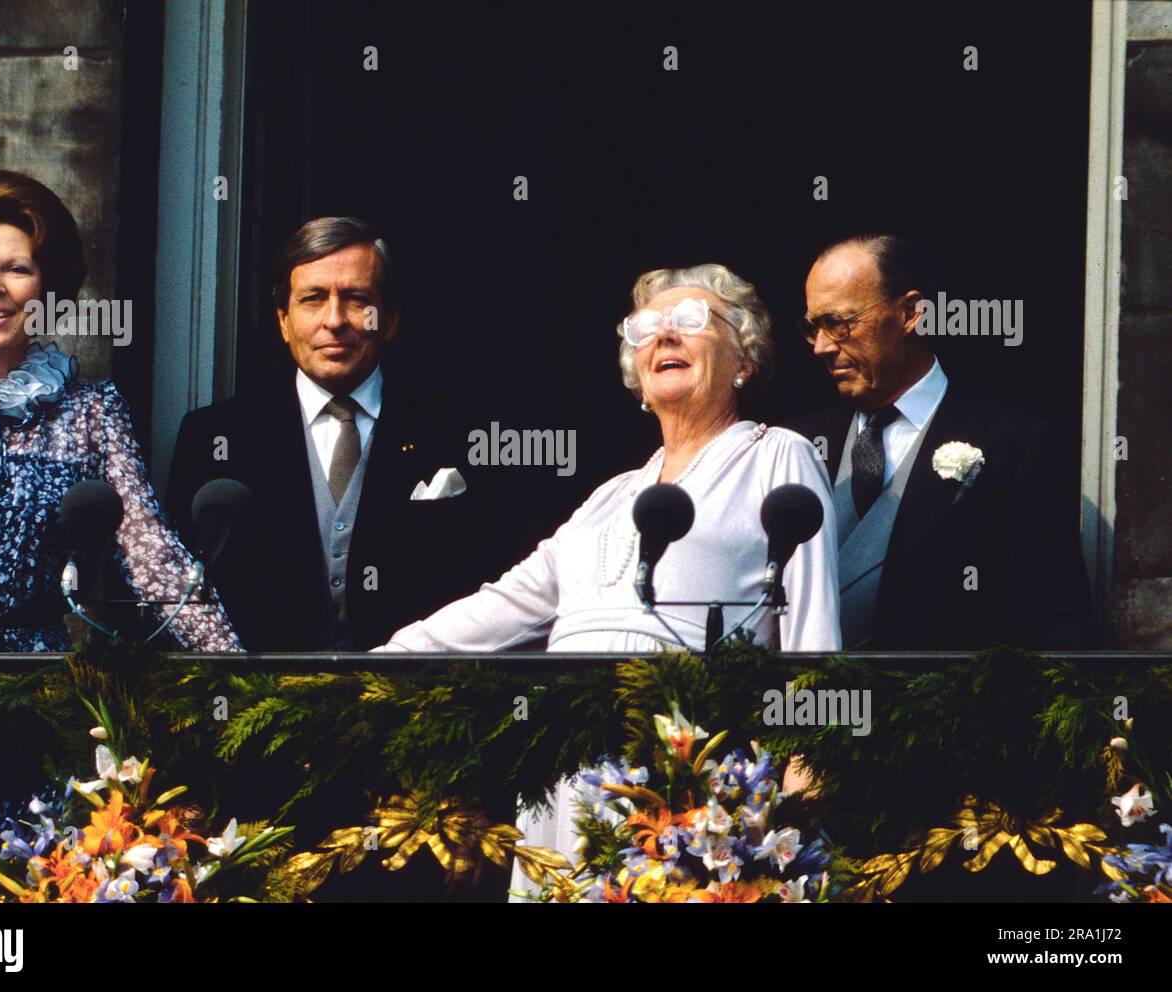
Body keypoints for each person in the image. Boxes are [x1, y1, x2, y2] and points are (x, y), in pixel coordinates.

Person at [375, 263, 841, 895]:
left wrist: (802, 779)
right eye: (647, 328)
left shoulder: (777, 454)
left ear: (744, 359)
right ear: (637, 379)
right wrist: (379, 659)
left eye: (691, 322)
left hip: (690, 776)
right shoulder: (610, 495)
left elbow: (812, 632)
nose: (664, 338)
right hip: (570, 782)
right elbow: (509, 604)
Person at [0, 170, 241, 652]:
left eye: (17, 269)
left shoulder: (93, 411)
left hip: (36, 690)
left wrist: (240, 679)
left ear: (47, 285)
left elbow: (155, 562)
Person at [166, 216, 505, 651]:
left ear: (392, 317)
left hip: (418, 702)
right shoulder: (213, 437)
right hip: (255, 704)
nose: (335, 320)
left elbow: (494, 595)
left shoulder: (462, 436)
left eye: (356, 298)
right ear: (284, 321)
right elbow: (184, 597)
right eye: (312, 299)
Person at [783, 234, 1092, 650]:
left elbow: (1053, 622)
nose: (822, 347)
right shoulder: (794, 445)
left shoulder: (1016, 444)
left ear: (911, 312)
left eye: (839, 323)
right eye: (812, 327)